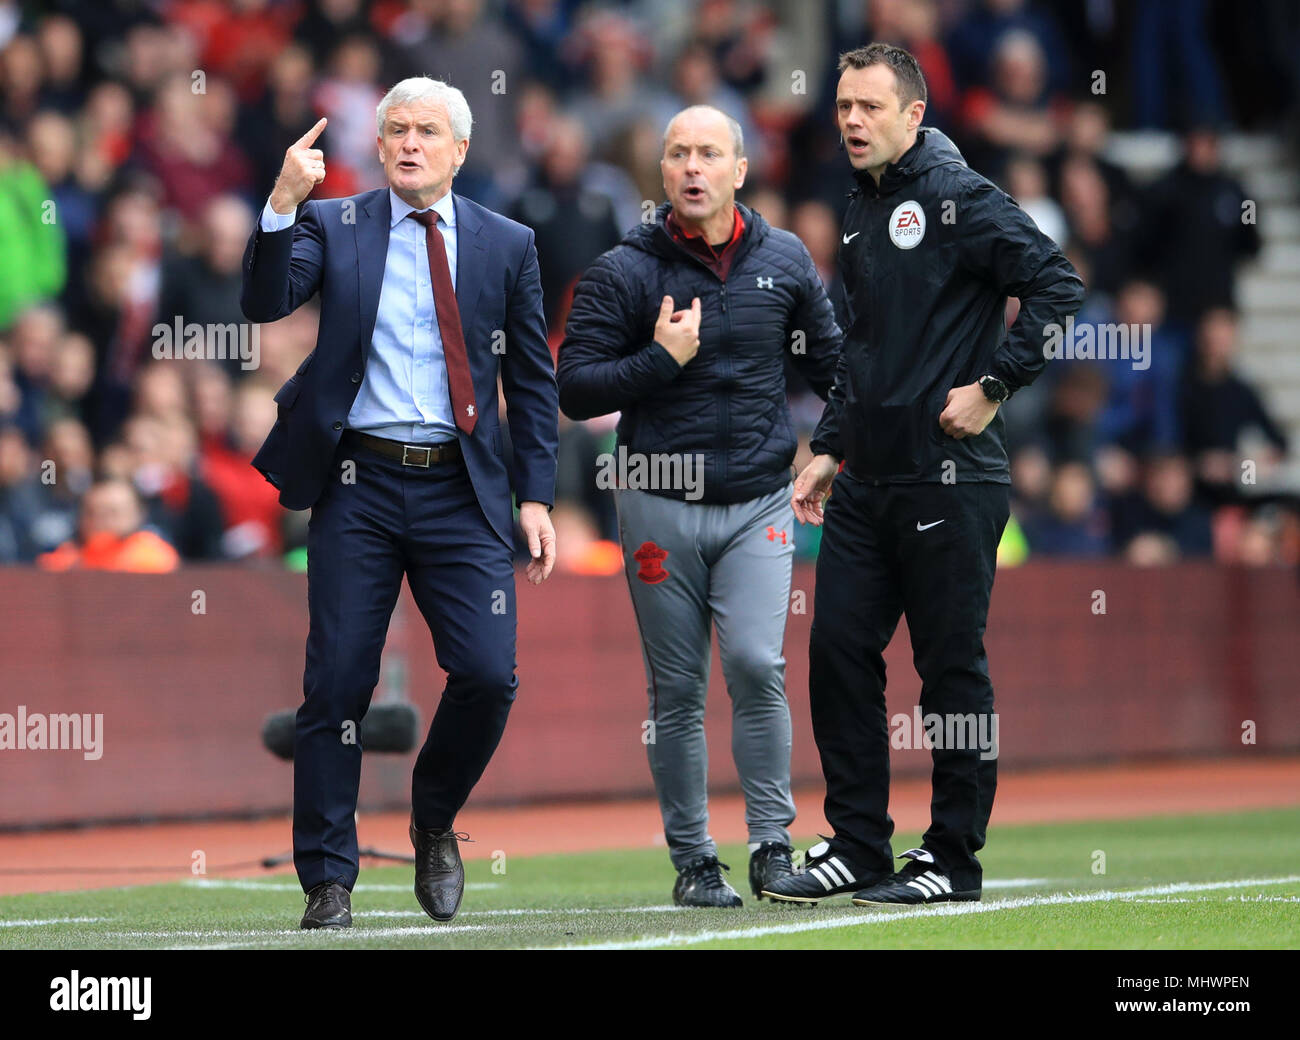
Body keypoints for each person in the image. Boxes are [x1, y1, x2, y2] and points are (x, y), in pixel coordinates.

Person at [761, 44, 1083, 906]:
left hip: (952, 477)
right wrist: (828, 445)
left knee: (949, 670)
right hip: (867, 481)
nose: (852, 121)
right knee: (836, 653)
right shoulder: (862, 209)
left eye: (870, 107)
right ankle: (860, 843)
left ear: (914, 116)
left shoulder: (960, 196)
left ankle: (952, 858)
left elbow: (1060, 286)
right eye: (842, 107)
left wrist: (993, 386)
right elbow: (860, 353)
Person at [240, 77, 559, 929]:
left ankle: (433, 818)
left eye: (428, 132)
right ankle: (328, 881)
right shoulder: (333, 223)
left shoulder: (507, 243)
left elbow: (531, 380)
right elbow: (264, 300)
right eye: (396, 132)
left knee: (489, 675)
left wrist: (537, 496)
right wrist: (280, 202)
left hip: (464, 488)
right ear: (378, 149)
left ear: (459, 150)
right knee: (337, 681)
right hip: (359, 484)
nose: (410, 143)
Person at [557, 105, 842, 907]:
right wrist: (658, 360)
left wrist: (834, 449)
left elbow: (834, 369)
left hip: (759, 501)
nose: (691, 167)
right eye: (677, 153)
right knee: (677, 690)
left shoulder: (786, 259)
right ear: (662, 172)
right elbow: (573, 388)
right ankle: (694, 861)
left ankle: (772, 847)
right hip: (656, 502)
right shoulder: (623, 270)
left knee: (758, 665)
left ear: (739, 169)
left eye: (708, 153)